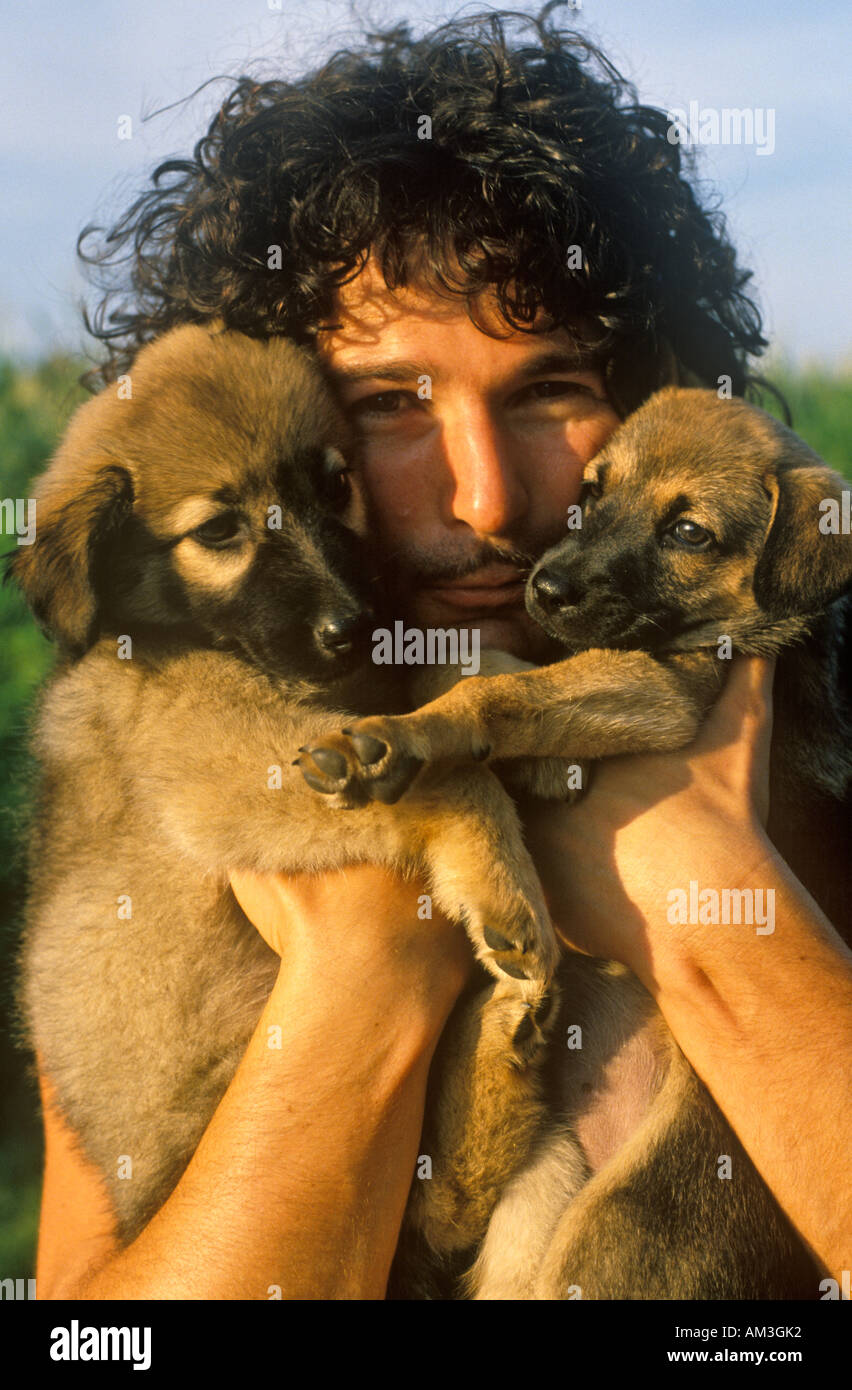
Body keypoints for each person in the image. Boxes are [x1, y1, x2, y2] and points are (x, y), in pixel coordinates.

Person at [35, 5, 851, 1299]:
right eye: (389, 406)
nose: (484, 499)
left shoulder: (811, 740)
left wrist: (704, 890)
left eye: (549, 391)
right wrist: (371, 955)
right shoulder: (189, 784)